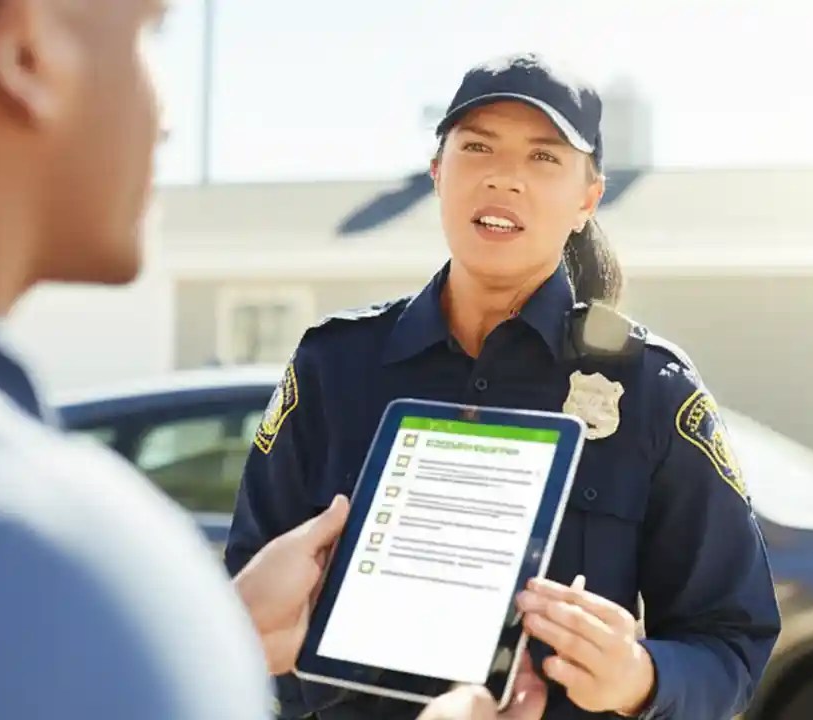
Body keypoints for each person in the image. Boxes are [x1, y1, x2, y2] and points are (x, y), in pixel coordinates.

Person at [0, 1, 528, 718]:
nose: (168, 116)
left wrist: (230, 637)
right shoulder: (42, 563)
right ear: (28, 53)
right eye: (148, 35)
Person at [225, 52, 782, 720]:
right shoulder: (333, 369)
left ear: (587, 199)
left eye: (544, 158)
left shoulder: (649, 389)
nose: (504, 178)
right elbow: (244, 612)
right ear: (438, 173)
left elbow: (730, 639)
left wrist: (640, 678)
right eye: (478, 147)